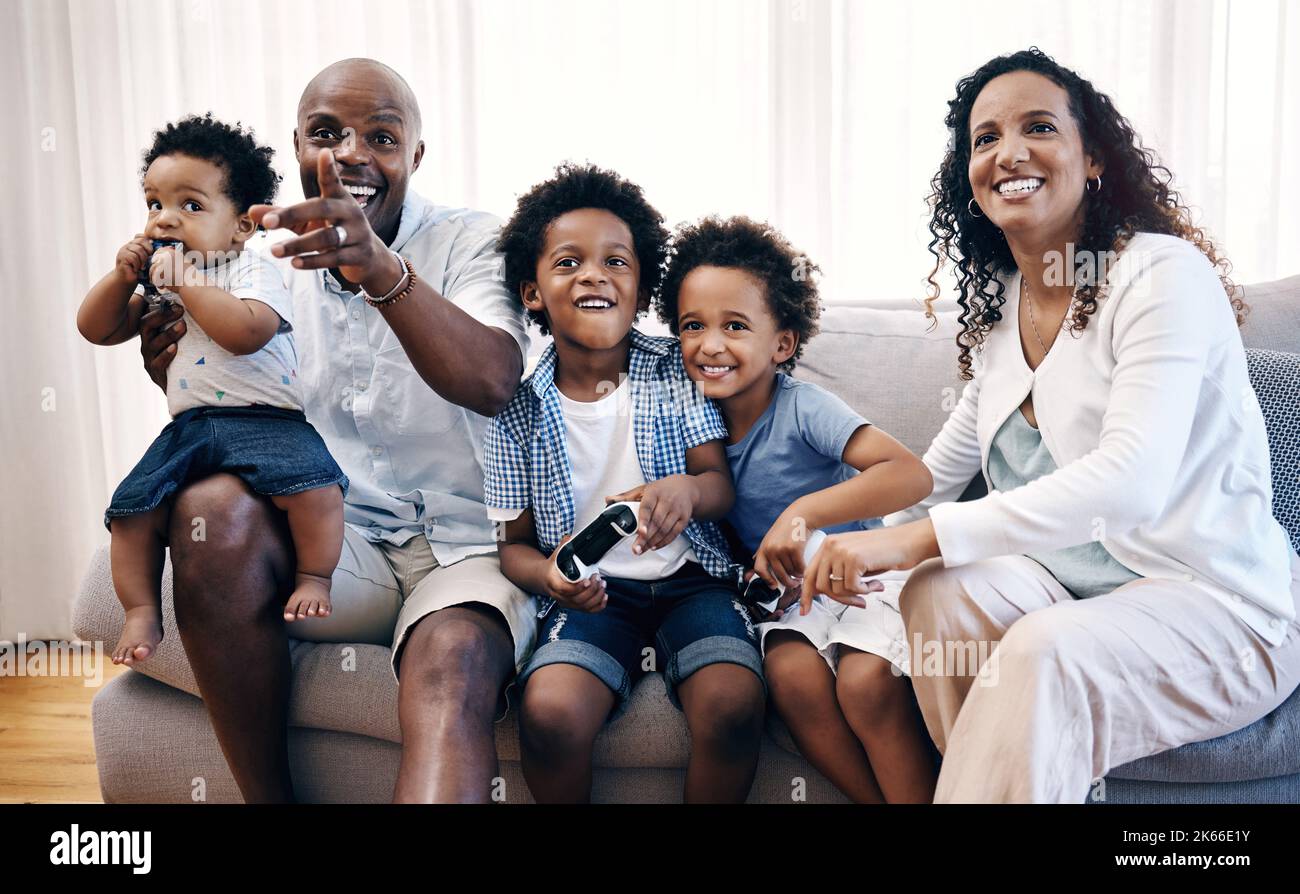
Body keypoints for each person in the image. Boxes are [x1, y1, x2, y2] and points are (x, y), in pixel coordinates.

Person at [801, 47, 1300, 802]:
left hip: (1217, 605)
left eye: (1038, 126)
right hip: (1074, 598)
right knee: (936, 592)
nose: (1010, 153)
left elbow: (1129, 481)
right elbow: (936, 481)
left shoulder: (1159, 275)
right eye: (985, 138)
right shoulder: (1005, 313)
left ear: (1092, 156)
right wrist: (825, 546)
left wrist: (907, 540)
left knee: (1038, 651)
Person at [138, 59, 535, 803]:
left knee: (452, 660)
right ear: (296, 147)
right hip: (334, 543)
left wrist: (379, 269)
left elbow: (493, 381)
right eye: (327, 133)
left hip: (465, 548)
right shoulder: (253, 265)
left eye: (380, 136)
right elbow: (226, 402)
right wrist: (172, 368)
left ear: (416, 154)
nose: (351, 152)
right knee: (209, 509)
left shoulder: (474, 242)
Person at [485, 164, 766, 803]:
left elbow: (718, 485)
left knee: (732, 703)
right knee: (550, 713)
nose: (593, 274)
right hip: (592, 595)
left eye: (617, 262)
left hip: (694, 581)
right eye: (568, 263)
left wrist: (686, 492)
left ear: (640, 291)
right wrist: (550, 576)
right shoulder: (516, 411)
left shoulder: (676, 371)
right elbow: (513, 548)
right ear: (532, 292)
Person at [659, 215, 937, 802]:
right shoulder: (686, 424)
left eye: (735, 325)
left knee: (866, 684)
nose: (710, 344)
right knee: (789, 677)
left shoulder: (803, 406)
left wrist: (801, 512)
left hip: (864, 579)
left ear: (781, 343)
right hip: (793, 600)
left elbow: (909, 474)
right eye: (692, 326)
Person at [81, 115, 347, 668]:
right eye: (154, 204)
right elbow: (98, 329)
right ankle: (139, 611)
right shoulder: (163, 277)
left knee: (316, 489)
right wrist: (120, 279)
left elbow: (245, 332)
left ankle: (315, 578)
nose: (165, 219)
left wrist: (186, 280)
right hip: (191, 428)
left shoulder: (250, 268)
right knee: (131, 513)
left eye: (191, 206)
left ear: (241, 228)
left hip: (267, 423)